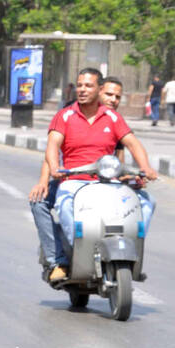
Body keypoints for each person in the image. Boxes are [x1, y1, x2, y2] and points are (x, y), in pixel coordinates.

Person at [47, 68, 159, 277]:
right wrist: (55, 168)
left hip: (107, 182)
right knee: (63, 206)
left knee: (146, 202)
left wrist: (145, 168)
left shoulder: (112, 118)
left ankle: (131, 249)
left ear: (99, 90)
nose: (82, 90)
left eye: (88, 86)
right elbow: (53, 145)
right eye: (79, 85)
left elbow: (133, 144)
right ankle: (78, 253)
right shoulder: (65, 116)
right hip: (75, 181)